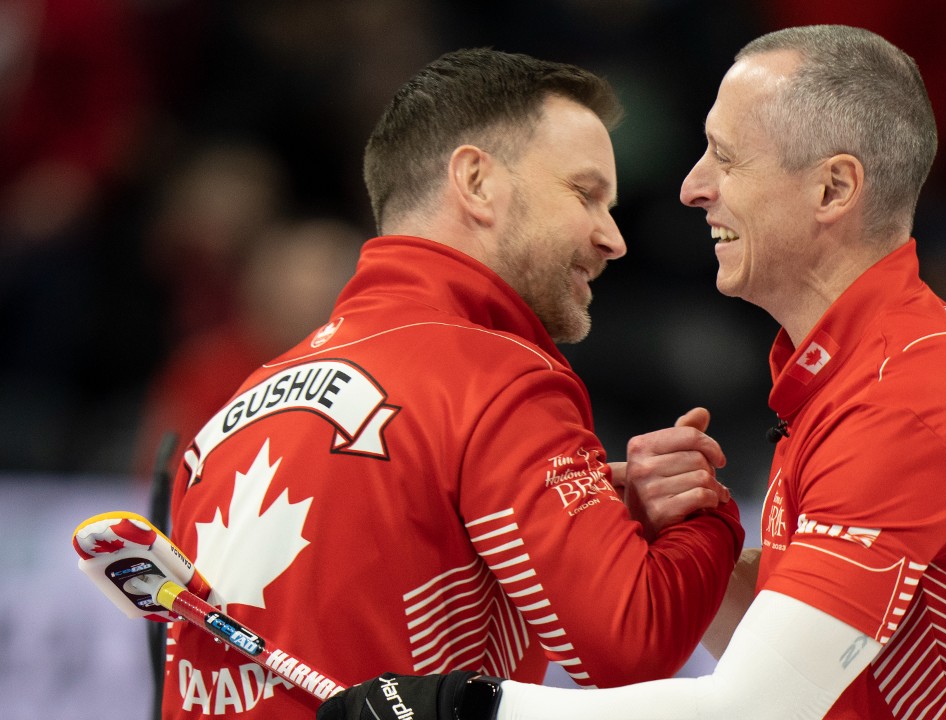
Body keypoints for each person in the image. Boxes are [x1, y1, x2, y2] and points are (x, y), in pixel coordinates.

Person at [319, 25, 946, 720]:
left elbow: (755, 708)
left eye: (726, 155)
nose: (692, 187)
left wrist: (467, 707)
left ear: (833, 190)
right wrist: (664, 539)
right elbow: (819, 652)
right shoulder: (872, 371)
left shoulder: (906, 394)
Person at [163, 48, 744, 718]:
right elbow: (628, 646)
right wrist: (702, 515)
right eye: (585, 194)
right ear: (475, 180)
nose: (612, 237)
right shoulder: (497, 378)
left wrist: (594, 521)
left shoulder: (233, 414)